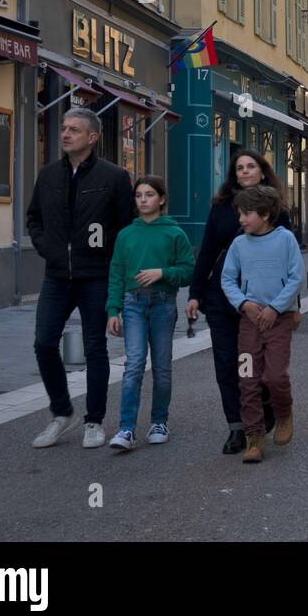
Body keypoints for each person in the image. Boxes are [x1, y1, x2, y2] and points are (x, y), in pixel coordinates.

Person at [26, 107, 135, 449]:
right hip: (57, 275)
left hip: (95, 276)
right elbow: (34, 219)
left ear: (92, 137)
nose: (65, 134)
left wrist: (108, 257)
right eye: (63, 129)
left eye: (74, 129)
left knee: (94, 348)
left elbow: (125, 226)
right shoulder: (47, 176)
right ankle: (62, 412)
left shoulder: (114, 177)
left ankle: (95, 421)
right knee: (43, 342)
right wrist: (49, 249)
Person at [187, 150, 297, 455]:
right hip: (223, 300)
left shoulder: (277, 211)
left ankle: (267, 412)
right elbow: (207, 251)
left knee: (257, 368)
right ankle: (239, 428)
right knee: (227, 364)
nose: (244, 171)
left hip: (262, 304)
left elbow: (289, 265)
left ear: (262, 173)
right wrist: (195, 293)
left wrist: (292, 306)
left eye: (251, 166)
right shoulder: (222, 208)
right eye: (239, 168)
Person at [105, 176, 195, 452]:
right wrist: (113, 310)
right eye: (139, 195)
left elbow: (188, 270)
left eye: (149, 195)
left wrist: (162, 273)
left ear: (162, 199)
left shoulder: (174, 233)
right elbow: (117, 273)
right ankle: (127, 428)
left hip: (163, 304)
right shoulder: (125, 235)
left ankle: (159, 422)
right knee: (133, 365)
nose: (143, 200)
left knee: (162, 366)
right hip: (132, 304)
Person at [221, 185, 303, 464]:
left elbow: (296, 278)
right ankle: (254, 437)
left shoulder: (286, 240)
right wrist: (243, 304)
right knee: (247, 378)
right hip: (249, 323)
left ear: (266, 214)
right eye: (239, 213)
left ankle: (283, 413)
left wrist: (276, 308)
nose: (241, 219)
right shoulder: (238, 244)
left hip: (279, 321)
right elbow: (227, 279)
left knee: (275, 376)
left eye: (247, 213)